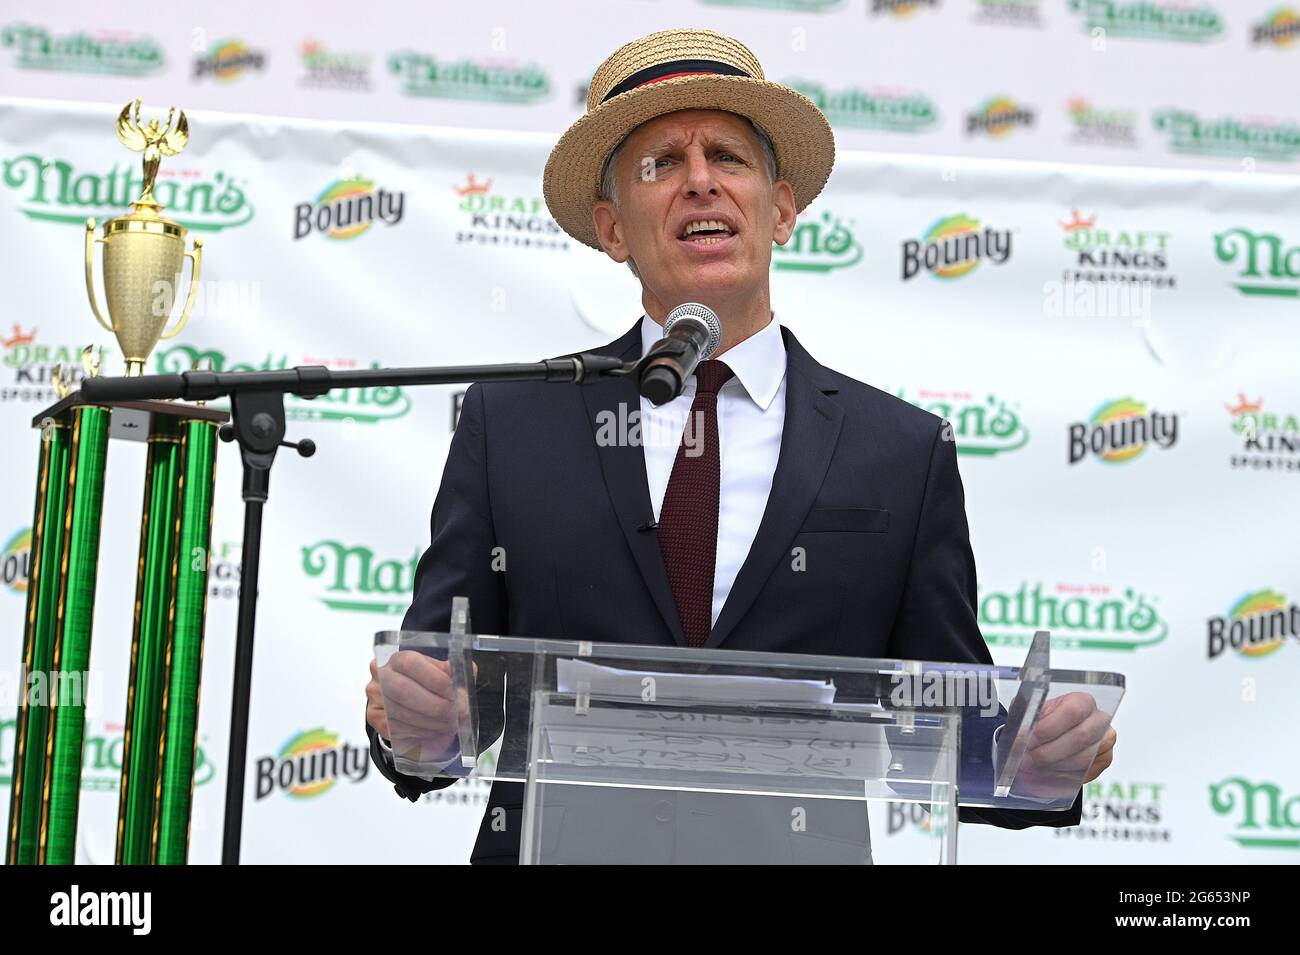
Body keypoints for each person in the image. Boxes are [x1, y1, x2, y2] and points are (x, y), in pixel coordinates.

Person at [364, 28, 1116, 864]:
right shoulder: (511, 425)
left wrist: (1039, 762)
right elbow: (442, 706)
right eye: (660, 165)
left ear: (781, 208)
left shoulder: (899, 450)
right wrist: (420, 724)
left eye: (727, 155)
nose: (698, 182)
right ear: (612, 228)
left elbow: (954, 726)